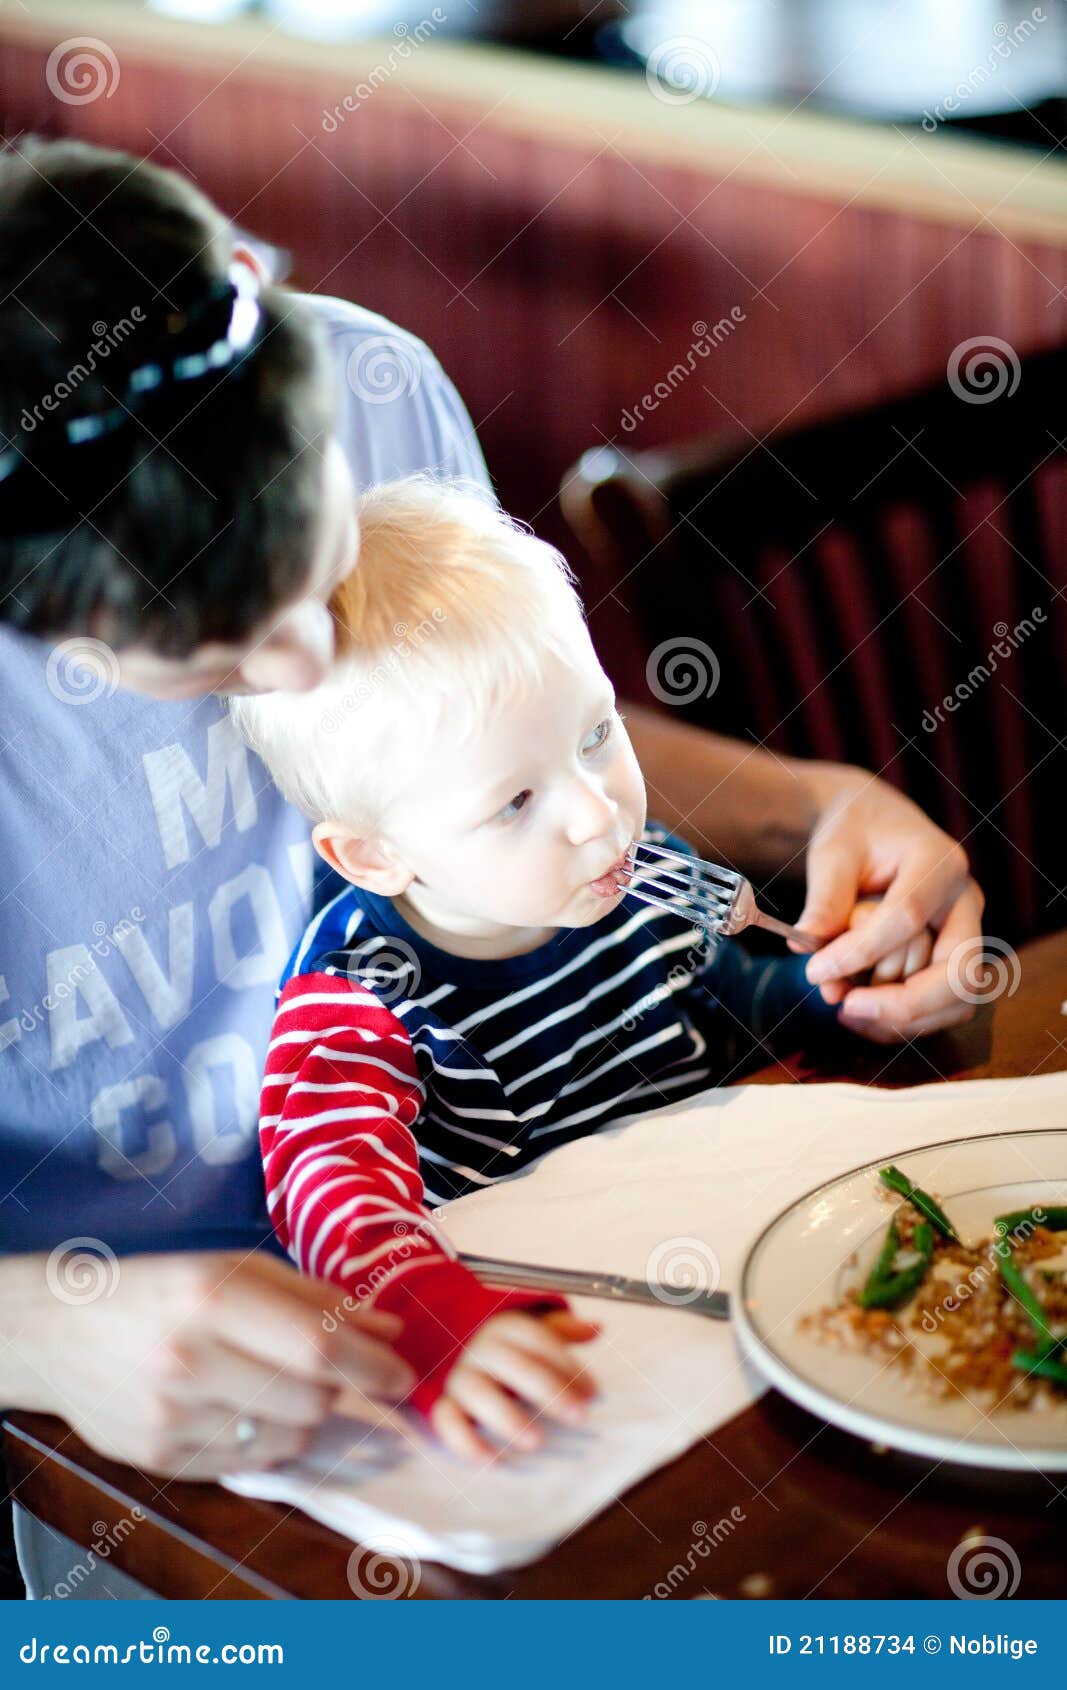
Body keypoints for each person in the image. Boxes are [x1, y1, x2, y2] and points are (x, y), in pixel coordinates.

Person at [0, 139, 980, 1588]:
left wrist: (811, 808)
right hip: (122, 1423)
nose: (301, 661)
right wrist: (51, 1323)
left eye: (311, 562)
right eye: (207, 645)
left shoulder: (379, 384)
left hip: (549, 1232)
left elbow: (483, 732)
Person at [229, 476, 883, 1460]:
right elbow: (334, 1200)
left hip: (728, 1267)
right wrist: (439, 1325)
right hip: (550, 1359)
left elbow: (720, 1005)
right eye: (514, 801)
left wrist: (830, 991)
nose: (594, 813)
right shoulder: (353, 1000)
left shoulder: (630, 869)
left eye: (593, 734)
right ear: (374, 855)